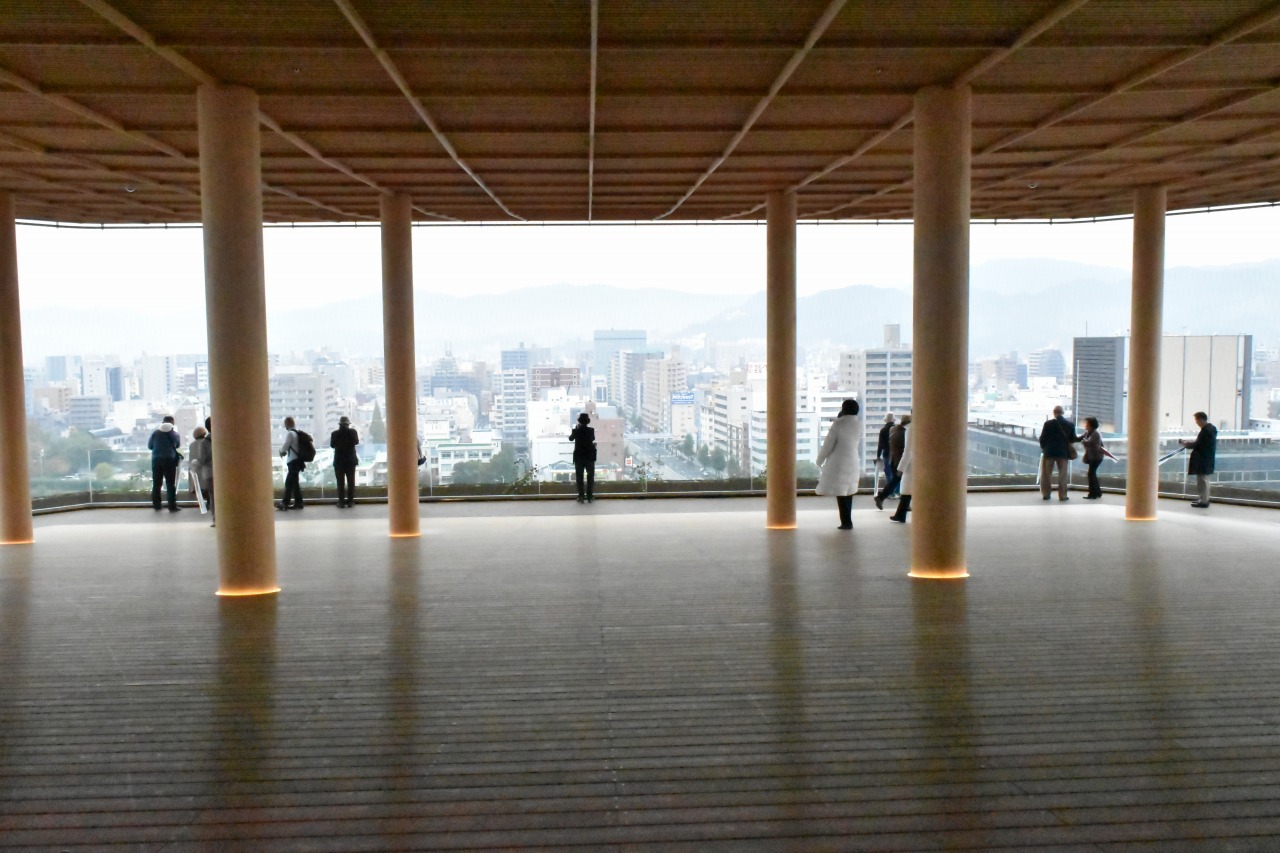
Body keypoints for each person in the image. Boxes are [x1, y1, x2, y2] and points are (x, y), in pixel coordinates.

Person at [815, 399, 865, 530]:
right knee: (849, 491)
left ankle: (846, 522)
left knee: (841, 492)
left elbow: (828, 444)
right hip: (853, 460)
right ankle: (848, 521)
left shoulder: (838, 424)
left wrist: (819, 460)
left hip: (839, 461)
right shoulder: (859, 424)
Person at [1038, 405, 1080, 501]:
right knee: (1063, 475)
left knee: (1046, 474)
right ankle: (1062, 495)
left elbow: (1042, 438)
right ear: (1063, 413)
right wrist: (1081, 438)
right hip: (1063, 453)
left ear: (1054, 412)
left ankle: (1046, 494)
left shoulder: (1047, 424)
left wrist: (1044, 448)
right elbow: (1073, 438)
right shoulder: (1070, 425)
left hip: (1049, 452)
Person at [1181, 411, 1218, 508]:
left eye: (1196, 420)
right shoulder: (1211, 430)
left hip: (1202, 460)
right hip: (1207, 459)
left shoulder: (1206, 431)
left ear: (1201, 419)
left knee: (1202, 481)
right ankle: (1203, 499)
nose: (1196, 422)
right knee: (1204, 480)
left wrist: (1185, 444)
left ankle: (1203, 501)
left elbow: (1197, 444)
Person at [147, 415, 182, 512]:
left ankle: (157, 505)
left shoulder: (155, 433)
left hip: (156, 460)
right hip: (169, 461)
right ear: (172, 424)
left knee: (157, 483)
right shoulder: (175, 434)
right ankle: (172, 506)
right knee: (170, 484)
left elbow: (150, 446)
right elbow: (178, 445)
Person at [875, 412, 906, 510]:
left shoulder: (885, 430)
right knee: (899, 478)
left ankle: (891, 495)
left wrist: (878, 455)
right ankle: (898, 494)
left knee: (891, 476)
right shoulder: (902, 431)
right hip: (900, 456)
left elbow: (880, 444)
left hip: (888, 456)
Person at [330, 415, 360, 508]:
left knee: (340, 482)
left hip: (339, 461)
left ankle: (341, 502)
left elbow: (332, 445)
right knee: (351, 482)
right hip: (350, 460)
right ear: (348, 424)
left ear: (339, 424)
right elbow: (356, 442)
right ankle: (350, 501)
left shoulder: (334, 433)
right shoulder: (353, 432)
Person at [568, 412, 597, 503]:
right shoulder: (591, 430)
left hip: (579, 456)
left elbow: (570, 438)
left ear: (580, 421)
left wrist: (576, 429)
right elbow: (592, 439)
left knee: (579, 477)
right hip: (589, 456)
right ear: (587, 422)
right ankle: (589, 496)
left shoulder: (576, 430)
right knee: (590, 476)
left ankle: (581, 496)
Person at [188, 424, 214, 526]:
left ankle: (215, 518)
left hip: (205, 471)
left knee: (211, 495)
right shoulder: (216, 439)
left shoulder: (193, 445)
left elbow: (200, 459)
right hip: (216, 471)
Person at [889, 416, 913, 523]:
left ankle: (900, 515)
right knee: (907, 491)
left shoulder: (910, 429)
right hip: (920, 464)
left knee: (906, 490)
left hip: (911, 465)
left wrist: (901, 467)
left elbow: (908, 451)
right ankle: (900, 514)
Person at [277, 416, 304, 511]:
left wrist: (280, 451)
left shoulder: (290, 434)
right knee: (295, 483)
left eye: (285, 424)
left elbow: (285, 446)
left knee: (289, 483)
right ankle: (299, 502)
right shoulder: (297, 433)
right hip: (298, 461)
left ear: (287, 424)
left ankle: (285, 503)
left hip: (293, 461)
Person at [873, 412, 897, 507]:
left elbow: (880, 444)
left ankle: (890, 492)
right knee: (897, 473)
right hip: (896, 454)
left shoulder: (883, 430)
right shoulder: (897, 429)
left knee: (888, 474)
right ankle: (896, 491)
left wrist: (878, 455)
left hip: (886, 454)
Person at [1080, 416, 1105, 500]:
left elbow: (1095, 445)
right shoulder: (1088, 432)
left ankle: (1093, 494)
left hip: (1096, 457)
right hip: (1093, 457)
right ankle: (1097, 492)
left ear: (1091, 425)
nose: (1085, 425)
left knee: (1091, 474)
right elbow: (1080, 438)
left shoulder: (1096, 434)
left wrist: (1085, 442)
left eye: (1086, 423)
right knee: (1092, 474)